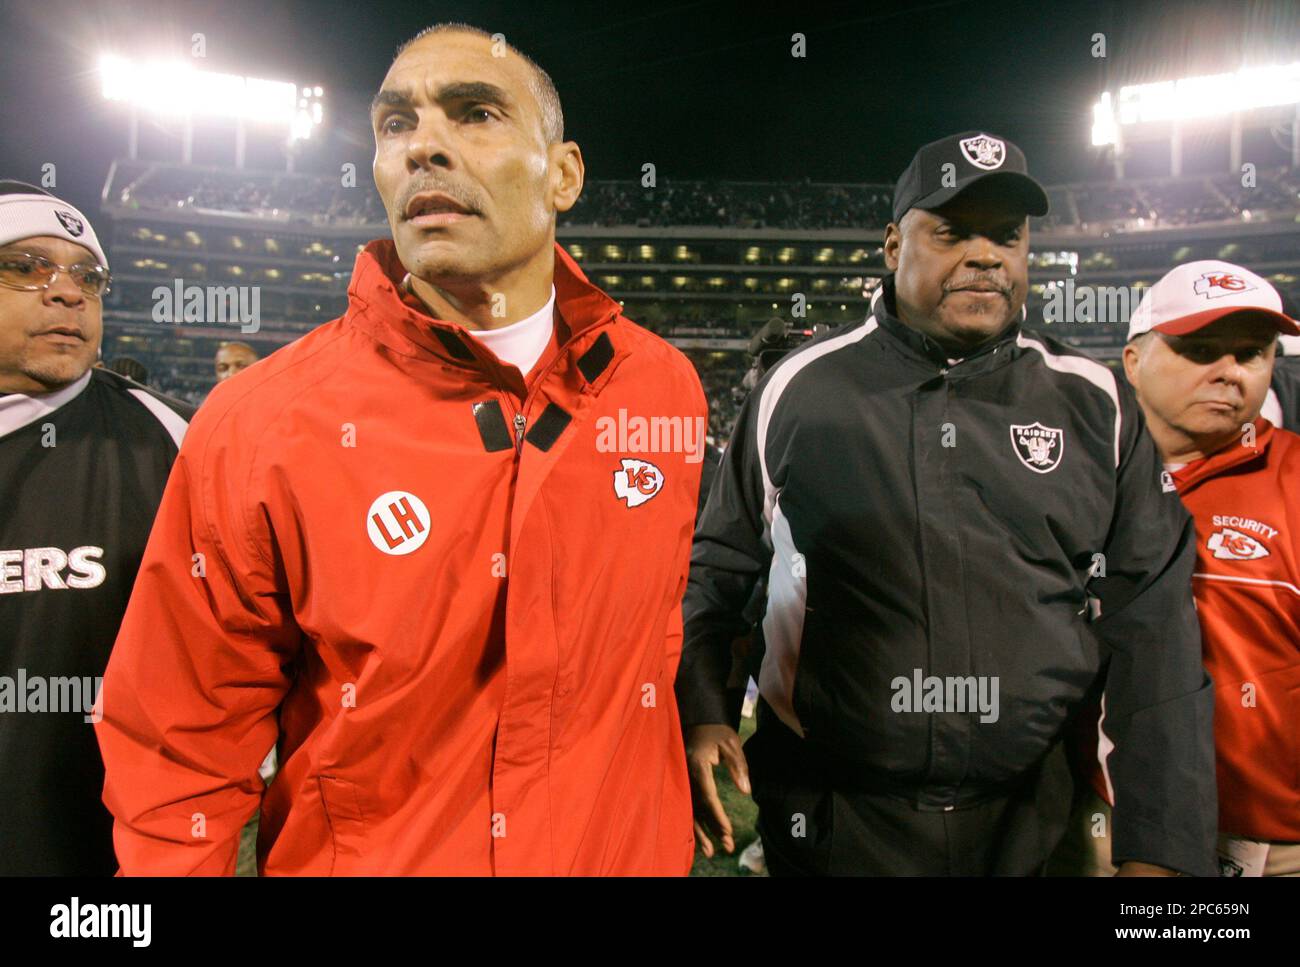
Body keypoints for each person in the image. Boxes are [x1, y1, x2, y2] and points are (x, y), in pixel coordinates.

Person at [95, 22, 707, 875]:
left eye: (475, 113)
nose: (425, 147)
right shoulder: (260, 423)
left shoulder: (662, 388)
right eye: (396, 124)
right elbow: (181, 740)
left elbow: (650, 644)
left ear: (563, 173)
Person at [679, 132, 1218, 877]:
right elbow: (722, 567)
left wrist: (1162, 851)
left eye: (1006, 236)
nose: (987, 256)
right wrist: (705, 703)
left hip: (1037, 818)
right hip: (838, 819)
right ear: (895, 244)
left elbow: (1155, 634)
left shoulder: (1096, 405)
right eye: (953, 232)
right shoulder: (797, 389)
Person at [1070, 260, 1300, 876]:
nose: (1229, 372)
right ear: (1133, 361)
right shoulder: (1069, 477)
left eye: (1252, 353)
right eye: (1200, 350)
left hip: (1274, 848)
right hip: (1106, 823)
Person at [0, 181, 193, 875]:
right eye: (25, 265)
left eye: (88, 275)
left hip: (104, 869)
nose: (67, 292)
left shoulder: (174, 440)